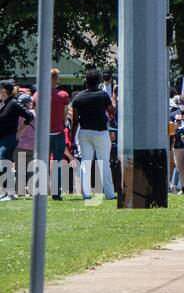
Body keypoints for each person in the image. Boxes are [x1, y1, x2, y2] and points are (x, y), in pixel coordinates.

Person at [70, 70, 115, 200]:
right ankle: (110, 194)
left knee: (85, 162)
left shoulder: (78, 97)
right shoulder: (103, 95)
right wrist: (113, 99)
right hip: (100, 132)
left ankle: (87, 194)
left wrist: (73, 139)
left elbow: (75, 120)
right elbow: (112, 112)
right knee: (104, 163)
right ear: (98, 81)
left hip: (84, 132)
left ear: (86, 81)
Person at [34, 69, 72, 199]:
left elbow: (36, 114)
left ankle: (41, 191)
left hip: (43, 134)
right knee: (57, 164)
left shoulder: (38, 95)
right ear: (56, 80)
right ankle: (56, 193)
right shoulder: (63, 95)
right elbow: (65, 114)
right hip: (58, 133)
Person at [0, 81, 34, 202]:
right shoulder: (2, 103)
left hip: (9, 138)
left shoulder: (13, 103)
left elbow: (29, 116)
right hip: (1, 138)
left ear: (4, 91)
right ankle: (6, 193)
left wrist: (19, 131)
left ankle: (10, 194)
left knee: (3, 160)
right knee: (4, 163)